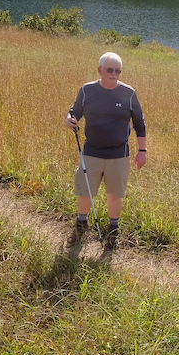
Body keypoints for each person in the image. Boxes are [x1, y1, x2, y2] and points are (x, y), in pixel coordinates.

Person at [65, 51, 147, 249]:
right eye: (110, 70)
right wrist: (70, 118)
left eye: (118, 71)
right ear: (100, 70)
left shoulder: (129, 93)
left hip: (119, 154)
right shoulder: (87, 90)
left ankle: (113, 232)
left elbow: (139, 123)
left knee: (115, 195)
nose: (114, 74)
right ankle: (81, 225)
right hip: (92, 151)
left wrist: (142, 151)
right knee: (84, 192)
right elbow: (75, 110)